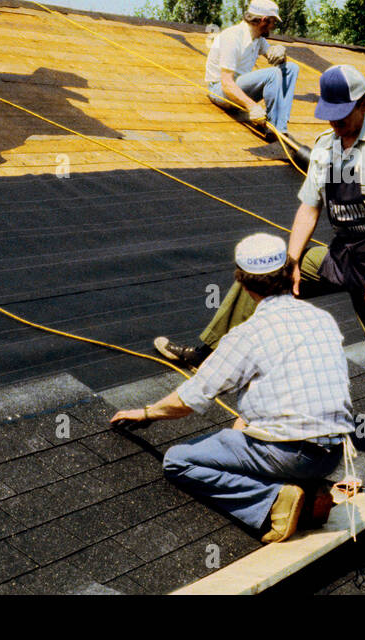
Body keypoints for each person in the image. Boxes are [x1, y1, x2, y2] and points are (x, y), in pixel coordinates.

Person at [155, 65, 365, 479]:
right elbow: (309, 206)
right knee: (263, 272)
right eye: (329, 112)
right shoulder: (325, 146)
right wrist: (292, 262)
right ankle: (206, 350)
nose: (334, 120)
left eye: (342, 113)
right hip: (342, 253)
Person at [110, 233, 352, 543]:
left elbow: (192, 397)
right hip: (331, 454)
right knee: (243, 434)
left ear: (243, 284)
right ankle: (307, 493)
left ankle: (275, 501)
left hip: (287, 454)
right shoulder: (323, 320)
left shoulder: (248, 334)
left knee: (178, 460)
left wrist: (147, 413)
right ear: (292, 273)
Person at [204, 0, 305, 152]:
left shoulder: (257, 38)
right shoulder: (233, 37)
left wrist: (279, 54)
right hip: (220, 91)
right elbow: (226, 83)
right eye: (272, 23)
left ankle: (279, 129)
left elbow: (275, 59)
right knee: (272, 74)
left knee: (290, 68)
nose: (273, 27)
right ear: (263, 20)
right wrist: (252, 107)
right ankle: (274, 128)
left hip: (238, 89)